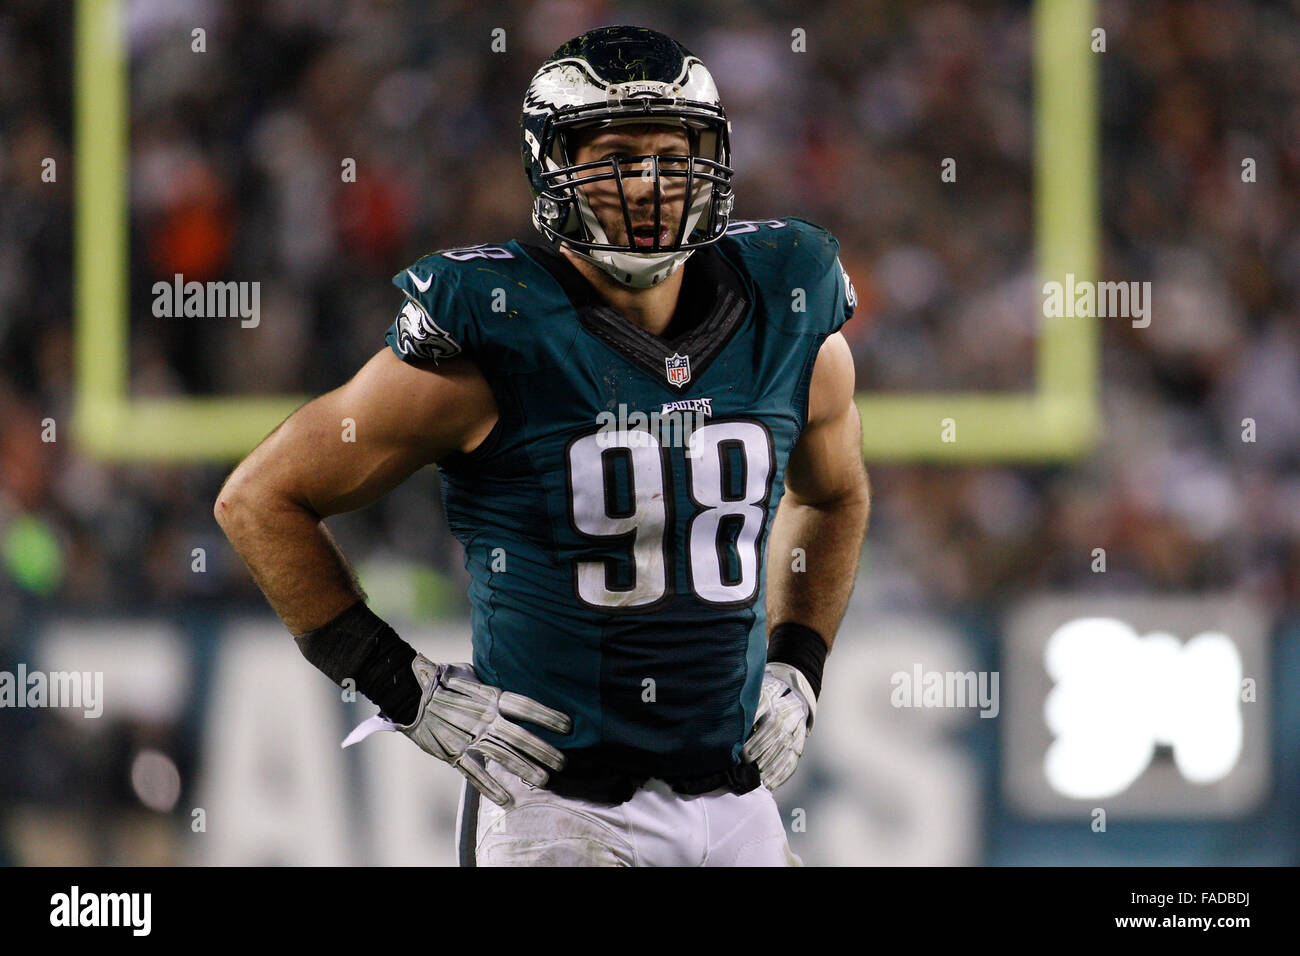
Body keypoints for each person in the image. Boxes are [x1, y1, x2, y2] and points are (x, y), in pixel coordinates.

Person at [215, 24, 869, 867]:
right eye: (617, 154)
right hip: (558, 807)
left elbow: (837, 493)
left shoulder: (789, 306)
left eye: (674, 152)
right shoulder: (498, 328)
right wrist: (395, 682)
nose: (649, 180)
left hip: (735, 797)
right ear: (554, 165)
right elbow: (260, 498)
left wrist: (801, 665)